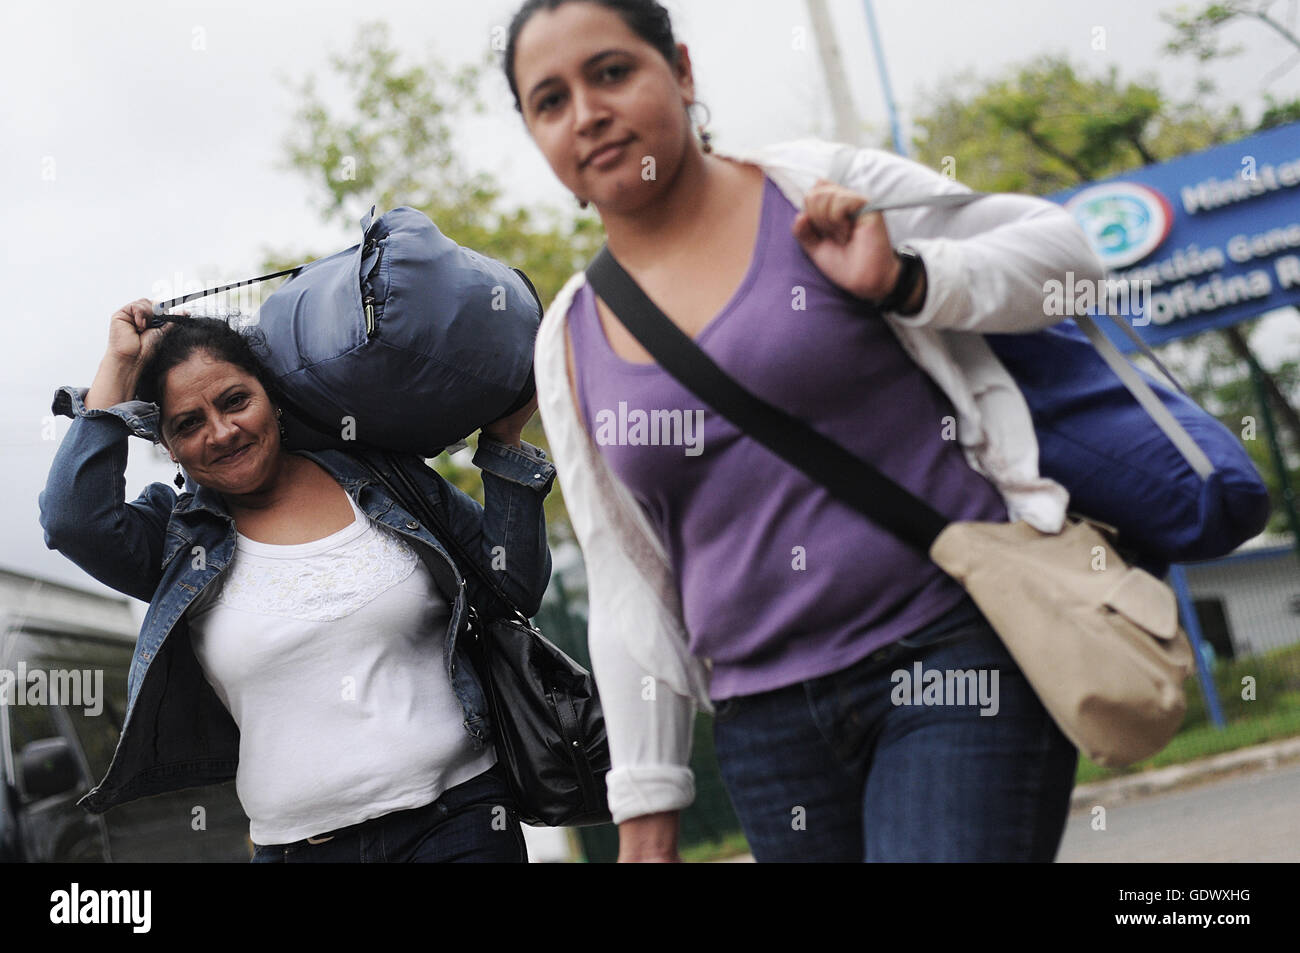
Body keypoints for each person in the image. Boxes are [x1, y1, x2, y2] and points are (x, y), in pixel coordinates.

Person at [504, 0, 1107, 862]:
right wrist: (647, 807)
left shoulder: (810, 189)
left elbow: (1069, 260)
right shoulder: (567, 336)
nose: (588, 113)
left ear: (679, 70)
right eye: (550, 100)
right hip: (766, 728)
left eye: (611, 72)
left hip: (948, 646)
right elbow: (627, 580)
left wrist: (904, 277)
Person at [38, 302, 556, 862]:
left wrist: (504, 445)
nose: (222, 432)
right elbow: (73, 520)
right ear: (168, 447)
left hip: (460, 822)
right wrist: (117, 363)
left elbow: (511, 587)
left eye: (236, 401)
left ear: (272, 397)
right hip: (298, 849)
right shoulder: (174, 539)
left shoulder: (384, 479)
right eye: (188, 424)